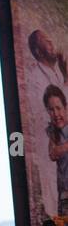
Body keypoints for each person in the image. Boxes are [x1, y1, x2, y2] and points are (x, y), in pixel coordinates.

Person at [28, 29, 68, 218]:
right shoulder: (35, 77)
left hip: (62, 145)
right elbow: (48, 114)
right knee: (54, 195)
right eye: (45, 40)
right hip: (51, 145)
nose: (50, 40)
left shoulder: (57, 71)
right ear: (37, 50)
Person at [45, 85, 68, 215]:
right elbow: (52, 154)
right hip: (65, 194)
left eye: (58, 108)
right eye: (51, 110)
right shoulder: (53, 130)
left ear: (66, 107)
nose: (56, 114)